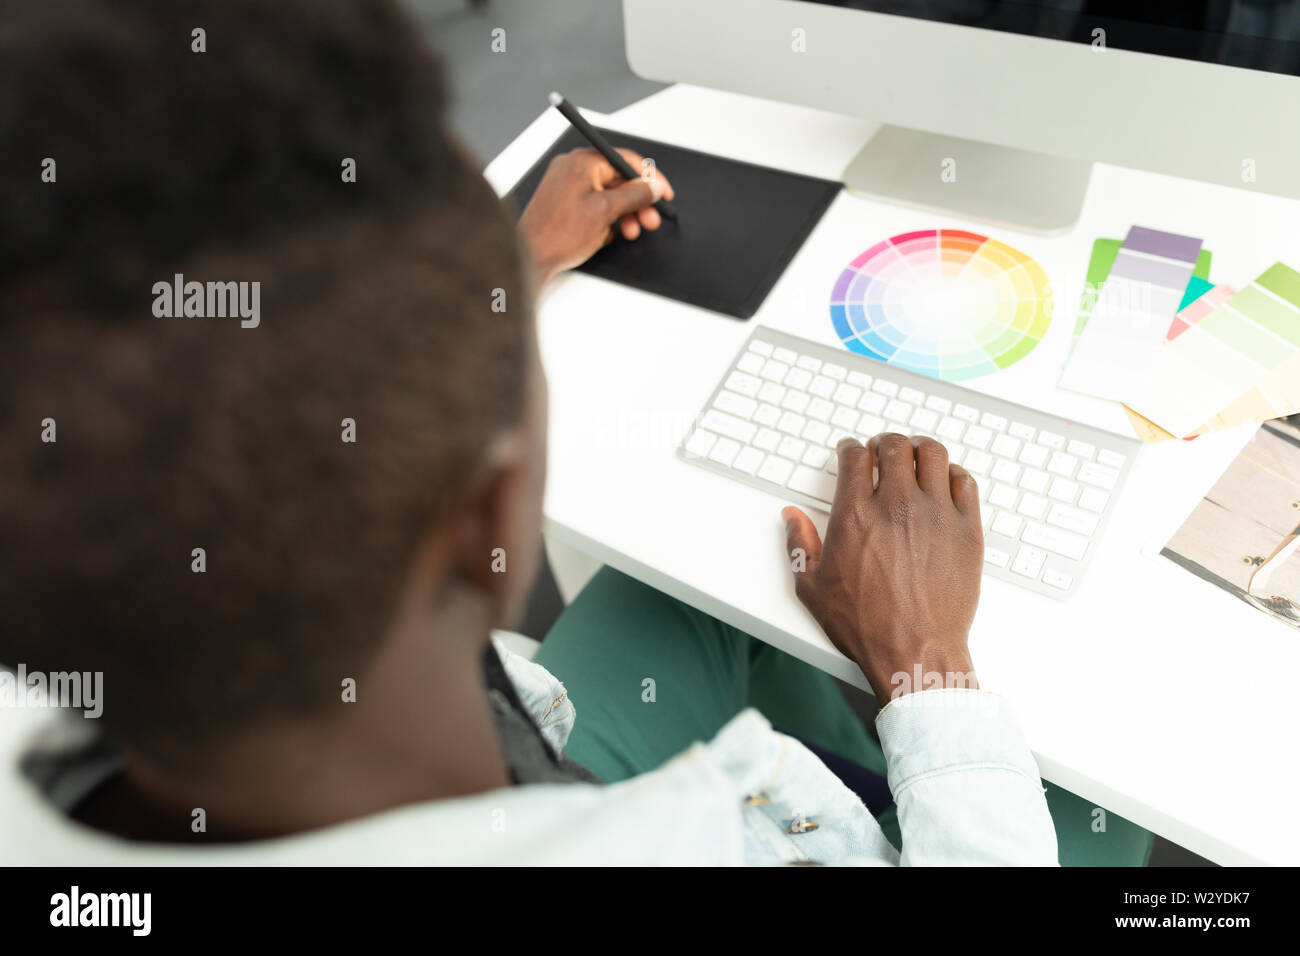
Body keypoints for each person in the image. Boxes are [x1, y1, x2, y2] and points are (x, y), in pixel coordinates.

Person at [0, 0, 1151, 865]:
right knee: (1110, 795)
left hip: (522, 750)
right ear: (494, 518)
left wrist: (498, 274)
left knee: (676, 606)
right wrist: (926, 670)